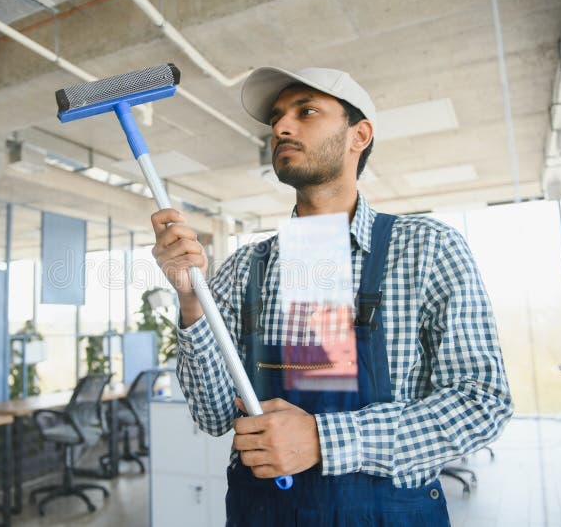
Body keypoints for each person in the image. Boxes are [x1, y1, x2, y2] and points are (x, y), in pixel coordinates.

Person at [150, 66, 513, 526]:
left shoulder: (427, 248)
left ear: (358, 135)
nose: (281, 127)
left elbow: (482, 401)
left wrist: (324, 439)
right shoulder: (246, 268)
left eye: (307, 112)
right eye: (278, 118)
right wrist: (191, 304)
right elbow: (213, 414)